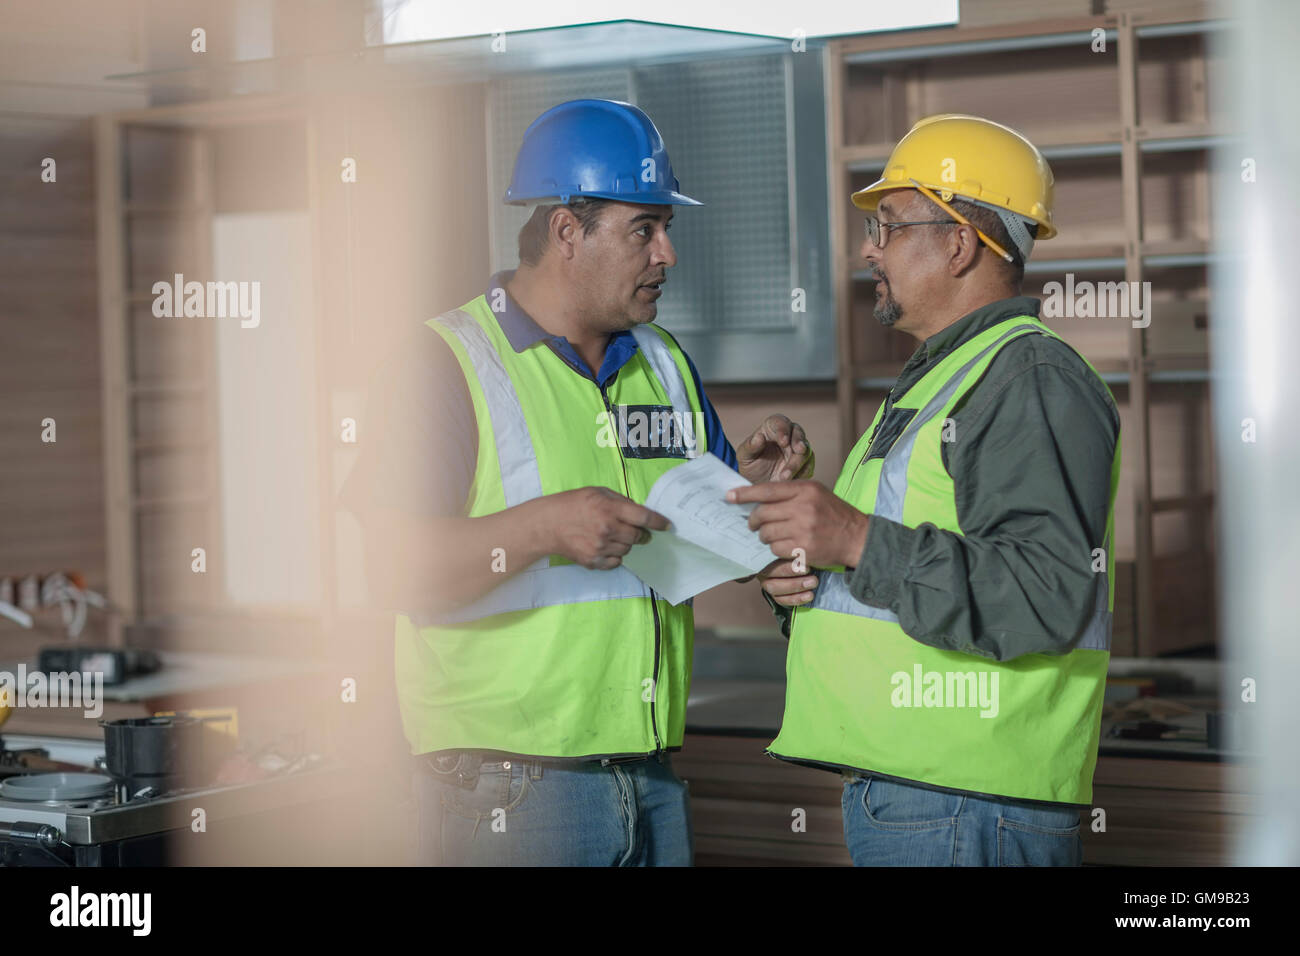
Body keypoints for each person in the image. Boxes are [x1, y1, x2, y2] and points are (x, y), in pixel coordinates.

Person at [341, 98, 811, 866]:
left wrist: (755, 490)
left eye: (667, 229)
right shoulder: (445, 366)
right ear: (567, 231)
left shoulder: (663, 363)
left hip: (650, 774)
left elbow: (706, 525)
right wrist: (543, 529)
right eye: (644, 230)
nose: (667, 254)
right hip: (509, 793)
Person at [730, 114, 1121, 867]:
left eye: (887, 226)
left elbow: (1043, 592)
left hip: (969, 803)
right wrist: (804, 582)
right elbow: (890, 580)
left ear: (959, 242)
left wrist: (852, 538)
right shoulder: (944, 377)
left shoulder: (1027, 379)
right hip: (928, 796)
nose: (869, 249)